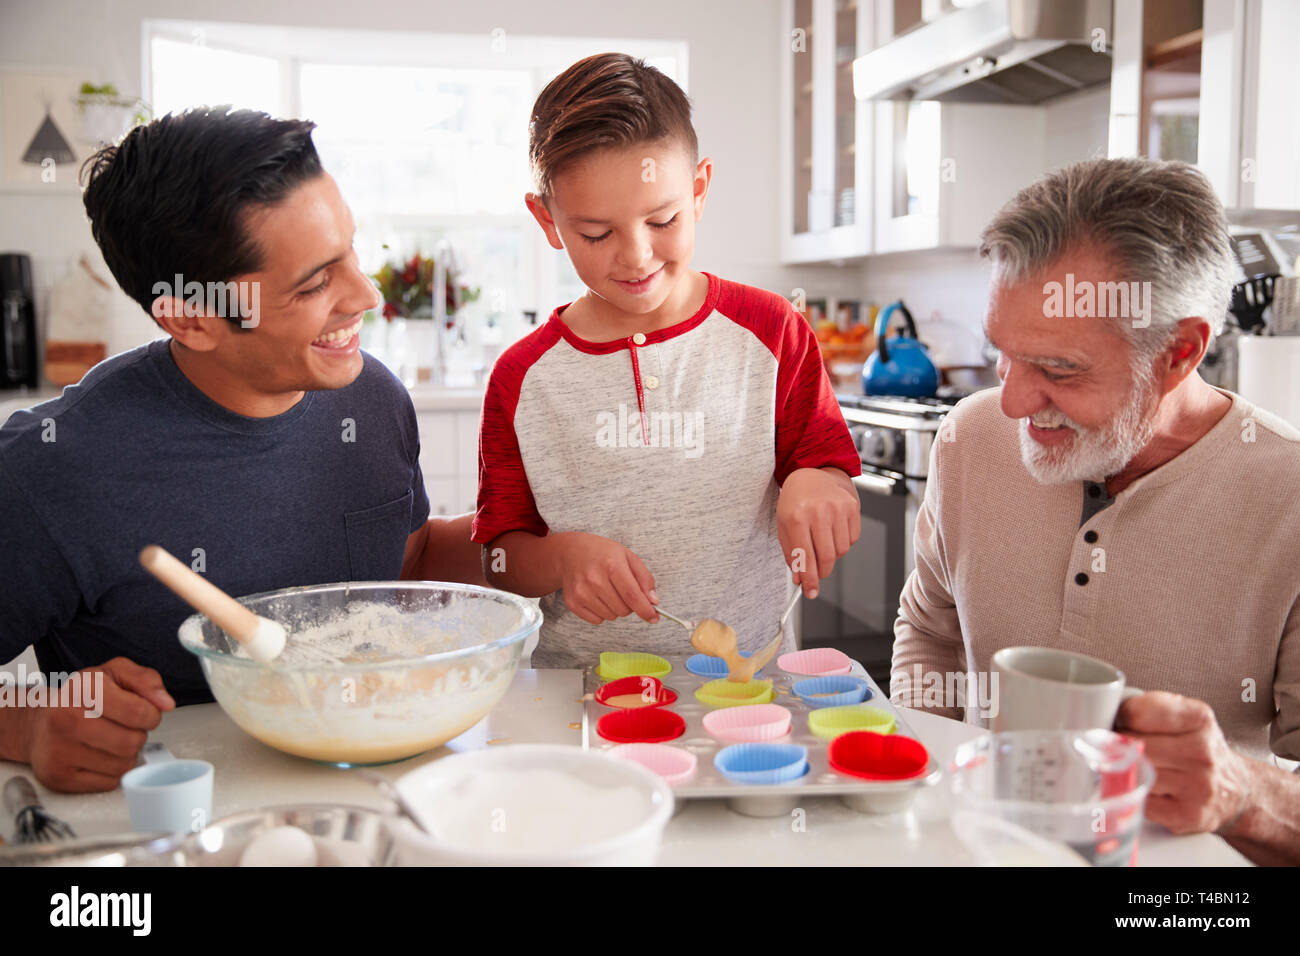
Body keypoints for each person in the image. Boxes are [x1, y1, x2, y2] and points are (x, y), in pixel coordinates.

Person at [0, 108, 484, 792]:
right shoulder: (55, 466)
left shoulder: (371, 399)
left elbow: (407, 568)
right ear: (192, 317)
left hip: (380, 791)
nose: (366, 295)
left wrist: (542, 546)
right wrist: (28, 726)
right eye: (315, 284)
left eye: (353, 250)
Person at [891, 157, 1300, 865]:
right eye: (1002, 355)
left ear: (1180, 352)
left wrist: (1243, 794)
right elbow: (931, 633)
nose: (1014, 404)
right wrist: (927, 797)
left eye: (1057, 370)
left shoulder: (1287, 495)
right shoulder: (969, 436)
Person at [474, 54, 861, 667]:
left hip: (746, 685)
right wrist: (561, 559)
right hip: (581, 697)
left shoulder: (773, 332)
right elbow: (501, 558)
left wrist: (819, 484)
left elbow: (822, 464)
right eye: (596, 234)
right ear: (547, 220)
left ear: (700, 189)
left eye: (663, 219)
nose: (636, 255)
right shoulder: (523, 377)